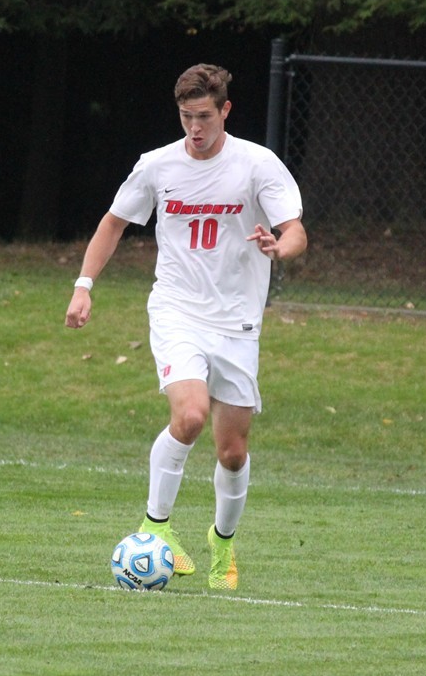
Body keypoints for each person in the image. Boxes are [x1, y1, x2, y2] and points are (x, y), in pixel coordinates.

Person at [65, 64, 307, 591]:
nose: (194, 128)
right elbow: (114, 222)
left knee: (232, 450)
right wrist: (84, 284)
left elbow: (296, 232)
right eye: (185, 117)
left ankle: (222, 543)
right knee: (191, 414)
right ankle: (157, 529)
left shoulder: (256, 164)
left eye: (203, 116)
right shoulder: (157, 166)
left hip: (238, 321)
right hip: (177, 310)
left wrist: (277, 247)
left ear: (225, 111)